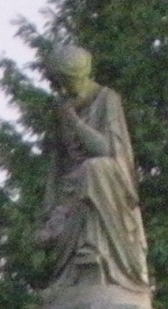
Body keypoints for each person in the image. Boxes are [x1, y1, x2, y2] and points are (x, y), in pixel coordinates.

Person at [38, 44, 152, 294]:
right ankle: (76, 260)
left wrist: (74, 121)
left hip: (110, 179)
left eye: (68, 80)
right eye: (59, 82)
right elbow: (58, 161)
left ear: (82, 74)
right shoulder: (62, 106)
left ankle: (94, 250)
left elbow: (106, 150)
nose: (64, 88)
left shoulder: (106, 99)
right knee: (84, 176)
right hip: (72, 184)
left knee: (94, 169)